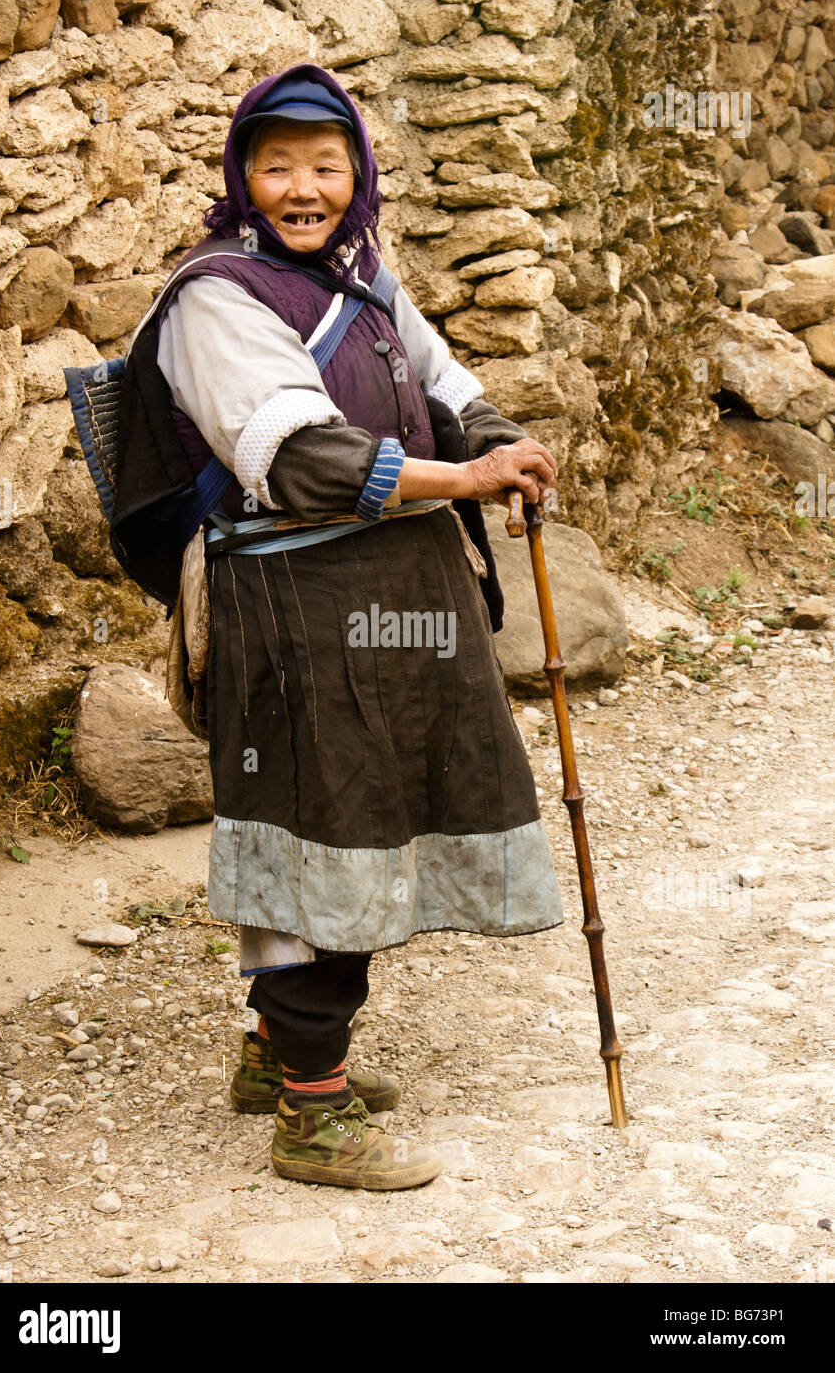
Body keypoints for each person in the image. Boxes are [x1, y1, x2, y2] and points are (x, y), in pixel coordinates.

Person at [153, 63, 564, 1190]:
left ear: (357, 175)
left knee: (372, 812)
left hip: (385, 596)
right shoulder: (216, 299)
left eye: (324, 166)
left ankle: (271, 1055)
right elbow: (303, 459)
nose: (301, 187)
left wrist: (497, 438)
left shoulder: (361, 273)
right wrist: (469, 476)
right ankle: (313, 1115)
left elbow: (436, 376)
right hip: (289, 610)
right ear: (241, 174)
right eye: (274, 165)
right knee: (317, 821)